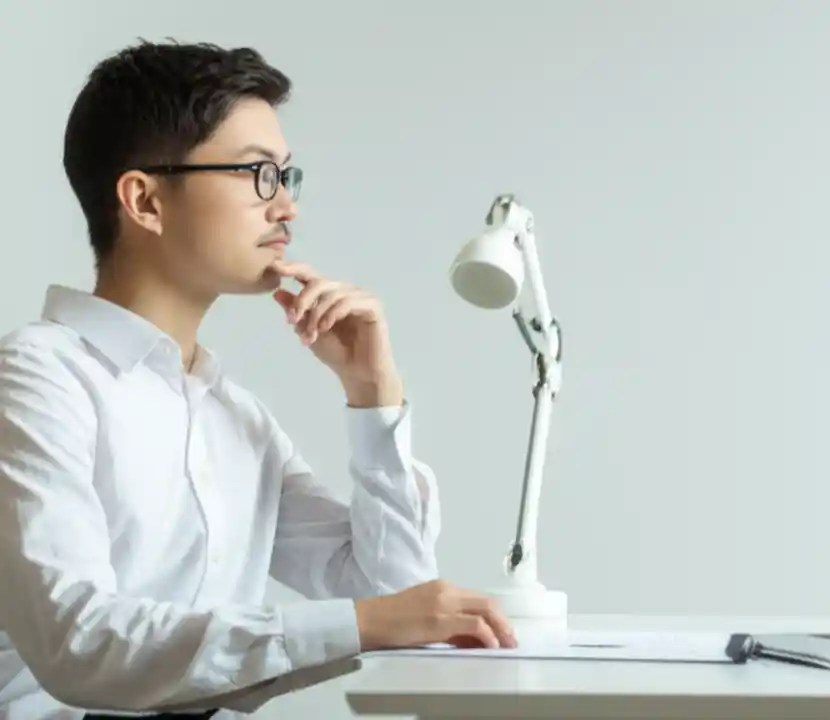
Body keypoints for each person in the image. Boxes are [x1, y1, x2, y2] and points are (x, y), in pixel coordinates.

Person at [0, 40, 515, 719]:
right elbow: (79, 644)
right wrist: (363, 623)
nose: (286, 208)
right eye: (256, 174)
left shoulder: (232, 415)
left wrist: (372, 393)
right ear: (145, 201)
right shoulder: (37, 379)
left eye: (285, 176)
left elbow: (395, 592)